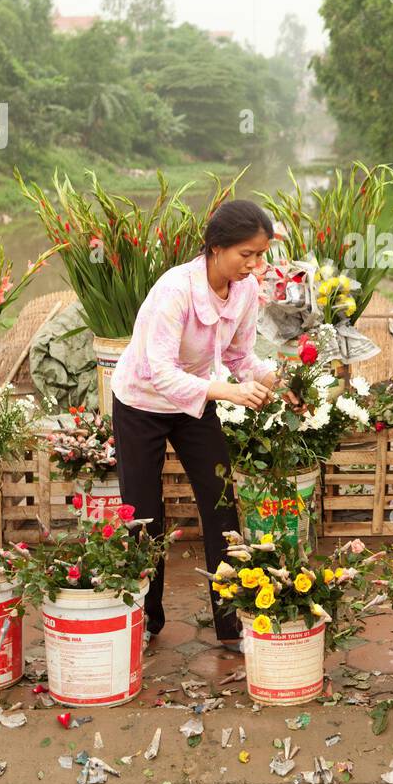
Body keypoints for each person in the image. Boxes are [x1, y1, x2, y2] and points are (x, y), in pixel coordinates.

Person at [111, 199, 290, 651]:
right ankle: (147, 620)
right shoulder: (175, 290)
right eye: (245, 254)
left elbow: (239, 356)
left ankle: (231, 623)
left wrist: (272, 378)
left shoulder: (245, 289)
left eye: (260, 254)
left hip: (194, 401)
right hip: (141, 401)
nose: (254, 264)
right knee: (143, 512)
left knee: (221, 504)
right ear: (214, 247)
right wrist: (229, 392)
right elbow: (158, 370)